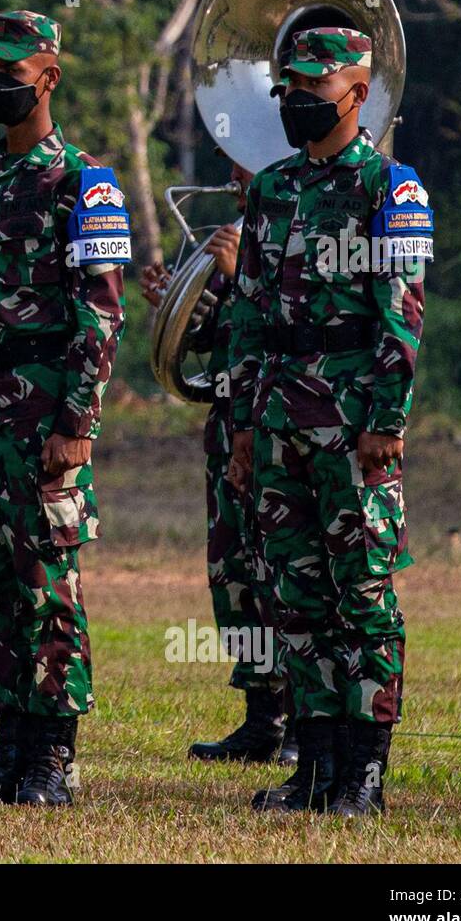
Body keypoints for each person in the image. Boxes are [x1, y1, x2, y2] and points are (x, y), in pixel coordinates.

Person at [0, 11, 127, 809]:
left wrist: (77, 424)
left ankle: (53, 760)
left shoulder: (86, 181)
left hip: (42, 407)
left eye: (14, 71)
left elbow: (100, 314)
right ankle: (8, 750)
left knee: (47, 585)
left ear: (50, 78)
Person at [227, 27, 431, 816]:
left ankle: (364, 773)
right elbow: (247, 315)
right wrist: (243, 422)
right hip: (278, 420)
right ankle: (313, 768)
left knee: (365, 597)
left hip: (353, 426)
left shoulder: (391, 187)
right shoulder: (273, 189)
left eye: (314, 89)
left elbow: (403, 315)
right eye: (291, 90)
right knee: (298, 600)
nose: (298, 102)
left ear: (358, 95)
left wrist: (387, 418)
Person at [141, 161, 296, 766]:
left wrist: (243, 276)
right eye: (229, 171)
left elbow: (297, 320)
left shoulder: (296, 229)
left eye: (242, 172)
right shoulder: (238, 232)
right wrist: (175, 301)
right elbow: (216, 337)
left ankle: (308, 723)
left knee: (289, 574)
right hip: (231, 427)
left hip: (286, 428)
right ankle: (264, 717)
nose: (233, 185)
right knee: (235, 574)